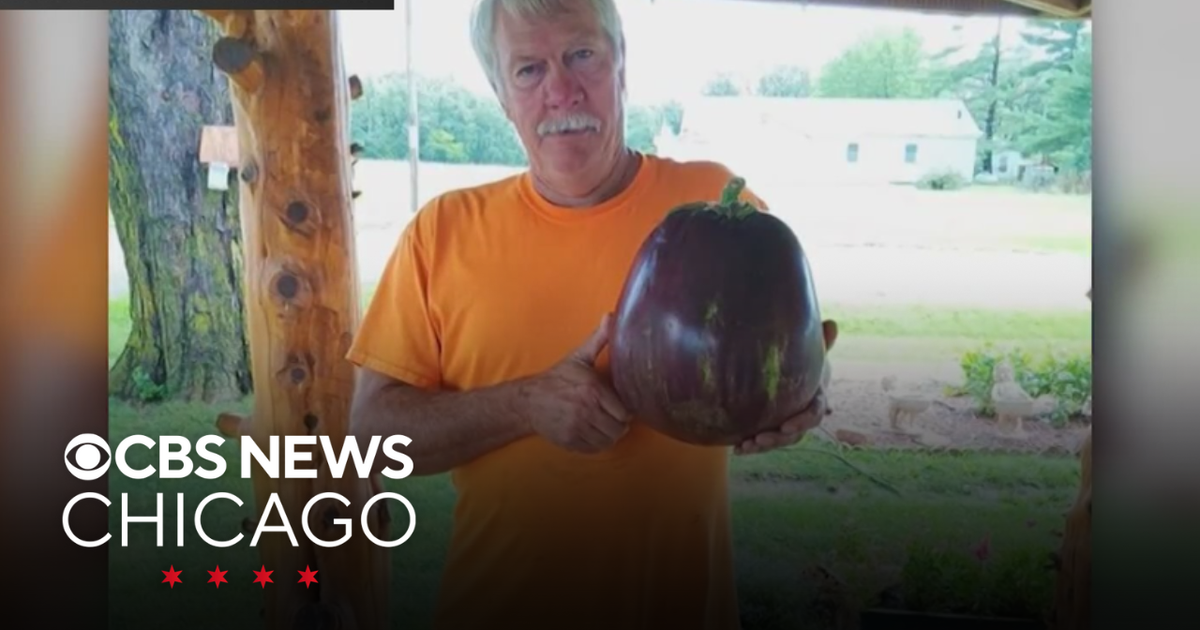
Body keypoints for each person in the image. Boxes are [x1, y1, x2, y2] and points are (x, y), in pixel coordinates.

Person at [346, 0, 838, 627]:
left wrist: (807, 392)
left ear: (621, 65)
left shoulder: (719, 205)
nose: (560, 89)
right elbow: (370, 438)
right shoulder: (441, 233)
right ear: (502, 95)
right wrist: (525, 404)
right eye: (528, 69)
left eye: (582, 55)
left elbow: (791, 350)